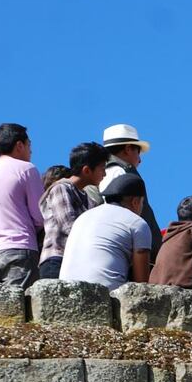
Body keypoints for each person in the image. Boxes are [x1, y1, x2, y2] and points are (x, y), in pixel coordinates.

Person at [0, 122, 44, 288]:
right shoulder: (26, 169)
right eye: (29, 145)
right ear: (19, 145)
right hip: (19, 249)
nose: (31, 150)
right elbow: (40, 216)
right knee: (21, 310)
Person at [60, 173, 153, 291]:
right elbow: (142, 285)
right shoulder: (137, 223)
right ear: (135, 202)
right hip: (105, 294)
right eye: (142, 203)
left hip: (66, 290)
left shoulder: (84, 216)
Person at [37, 143, 108, 280]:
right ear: (87, 170)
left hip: (75, 261)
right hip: (56, 259)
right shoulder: (61, 188)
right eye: (102, 169)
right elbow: (69, 225)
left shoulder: (88, 199)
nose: (104, 174)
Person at [99, 124, 161, 263]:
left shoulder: (108, 171)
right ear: (128, 149)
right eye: (138, 152)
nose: (140, 159)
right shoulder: (119, 172)